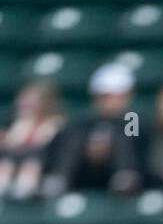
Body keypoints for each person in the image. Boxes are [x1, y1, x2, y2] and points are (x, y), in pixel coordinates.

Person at [42, 63, 151, 197]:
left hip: (131, 173)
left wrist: (109, 145)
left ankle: (125, 177)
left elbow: (136, 141)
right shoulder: (84, 123)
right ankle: (59, 179)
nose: (108, 102)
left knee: (122, 138)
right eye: (103, 97)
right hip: (86, 171)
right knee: (74, 136)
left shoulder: (133, 118)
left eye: (112, 96)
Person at [0, 82, 66, 199]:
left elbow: (51, 151)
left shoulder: (57, 124)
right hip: (13, 170)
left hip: (42, 172)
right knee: (6, 165)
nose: (25, 105)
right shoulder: (18, 124)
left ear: (45, 103)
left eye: (31, 102)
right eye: (23, 100)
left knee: (31, 165)